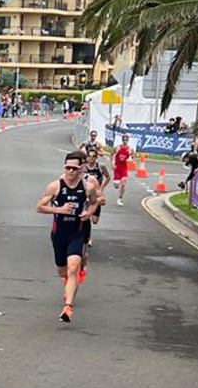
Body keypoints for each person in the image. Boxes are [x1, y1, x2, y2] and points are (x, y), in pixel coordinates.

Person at [37, 151, 101, 323]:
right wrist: (59, 210)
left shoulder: (88, 187)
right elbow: (39, 207)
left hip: (77, 233)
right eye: (68, 168)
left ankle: (68, 307)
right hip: (59, 234)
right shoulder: (55, 186)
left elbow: (95, 201)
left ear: (81, 169)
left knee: (73, 267)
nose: (70, 171)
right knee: (63, 271)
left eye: (74, 168)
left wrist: (89, 213)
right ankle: (69, 284)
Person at [81, 149, 110, 274]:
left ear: (96, 157)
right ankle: (88, 238)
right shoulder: (84, 169)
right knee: (87, 216)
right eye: (89, 156)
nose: (91, 158)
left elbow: (108, 177)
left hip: (96, 195)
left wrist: (101, 187)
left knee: (95, 220)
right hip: (87, 196)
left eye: (93, 156)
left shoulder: (100, 167)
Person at [111, 134, 132, 206]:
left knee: (123, 183)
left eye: (126, 140)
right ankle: (116, 182)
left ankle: (120, 198)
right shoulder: (117, 148)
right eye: (124, 140)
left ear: (128, 140)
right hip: (117, 168)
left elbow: (133, 158)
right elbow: (112, 155)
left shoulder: (130, 149)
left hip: (124, 168)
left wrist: (130, 160)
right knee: (116, 186)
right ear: (122, 140)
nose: (125, 141)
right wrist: (112, 163)